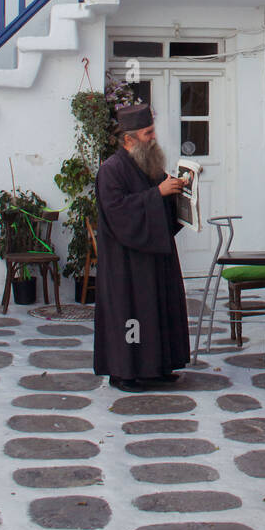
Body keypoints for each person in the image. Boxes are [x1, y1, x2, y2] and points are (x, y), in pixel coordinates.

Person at [93, 103, 190, 392]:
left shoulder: (147, 164)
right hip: (127, 261)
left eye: (152, 131)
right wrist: (157, 194)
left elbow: (161, 199)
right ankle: (124, 372)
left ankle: (156, 367)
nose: (153, 138)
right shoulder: (111, 170)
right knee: (131, 315)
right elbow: (118, 211)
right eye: (147, 133)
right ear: (128, 139)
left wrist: (177, 189)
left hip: (155, 257)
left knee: (158, 310)